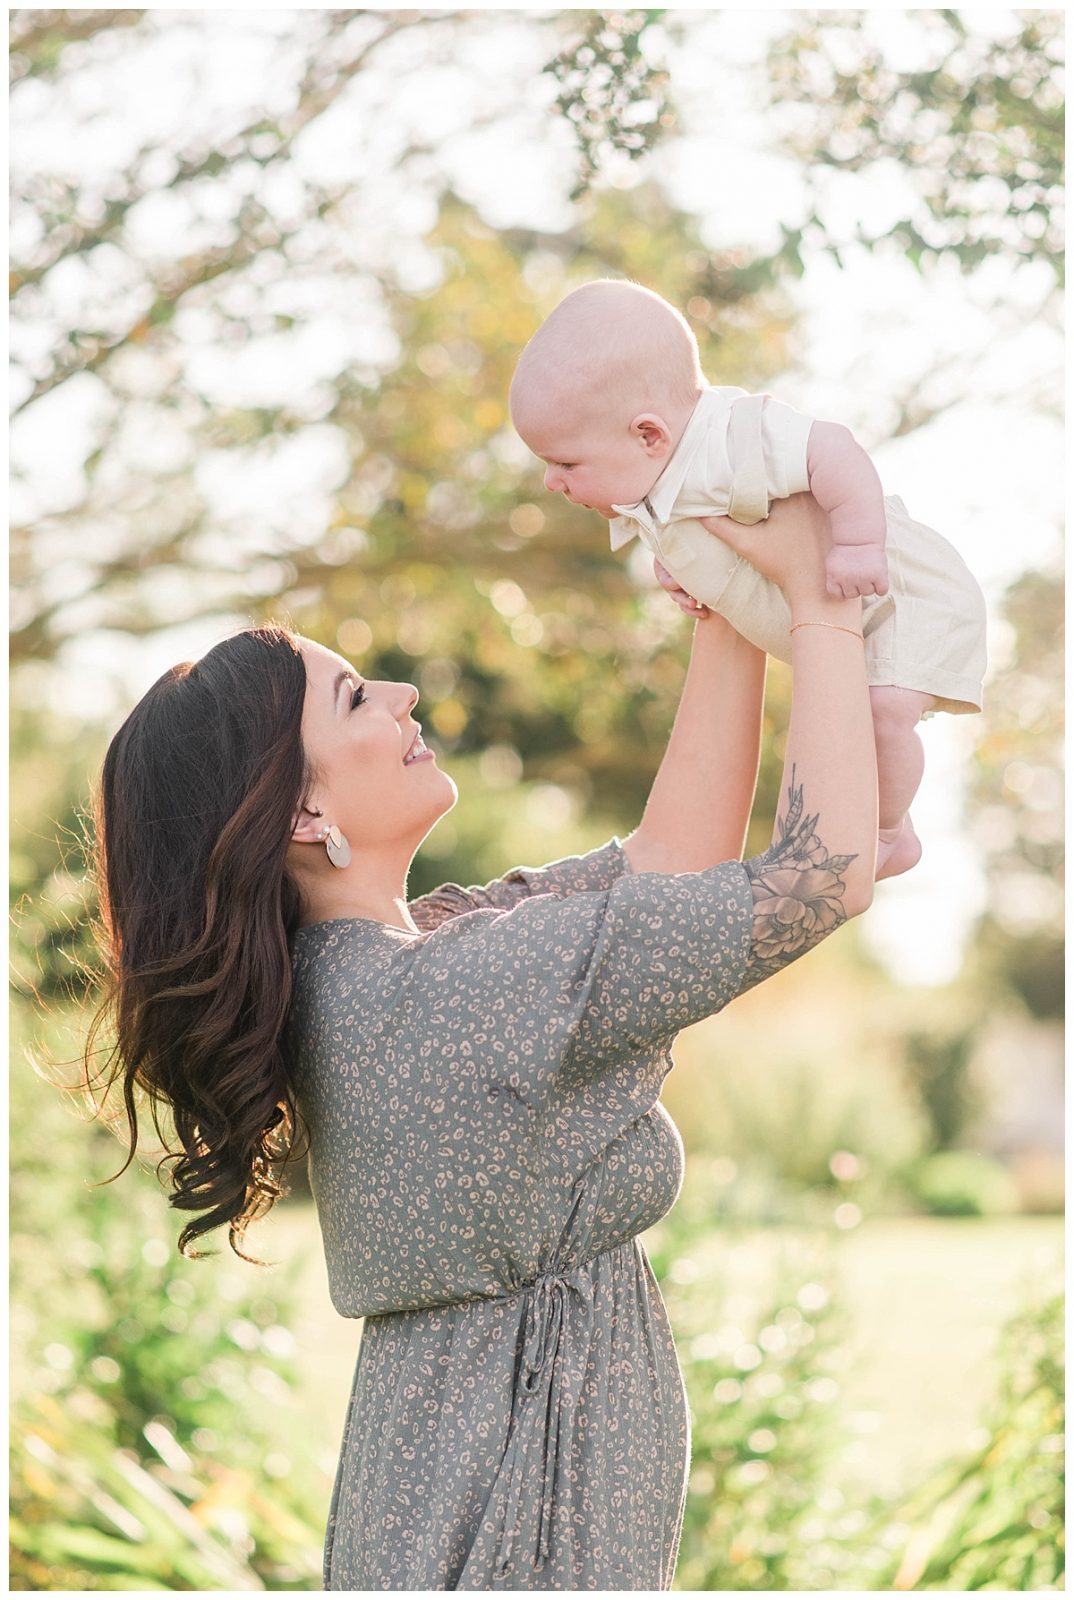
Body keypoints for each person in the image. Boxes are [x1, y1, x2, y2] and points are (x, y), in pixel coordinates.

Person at [87, 490, 876, 1590]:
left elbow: (670, 862)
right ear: (305, 814)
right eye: (356, 697)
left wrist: (724, 605)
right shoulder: (452, 996)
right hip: (518, 1535)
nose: (402, 693)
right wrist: (820, 605)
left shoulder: (382, 976)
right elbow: (825, 874)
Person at [508, 277, 988, 883]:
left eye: (564, 463)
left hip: (906, 594)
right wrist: (677, 570)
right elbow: (687, 539)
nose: (551, 482)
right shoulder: (646, 486)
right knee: (864, 715)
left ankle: (891, 832)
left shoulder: (731, 438)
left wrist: (858, 544)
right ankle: (885, 827)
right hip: (846, 615)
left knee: (885, 710)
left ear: (649, 434)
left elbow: (833, 448)